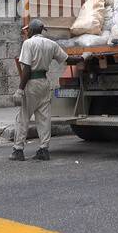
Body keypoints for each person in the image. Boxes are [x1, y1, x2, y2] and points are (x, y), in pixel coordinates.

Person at [11, 19, 81, 162]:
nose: (27, 32)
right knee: (44, 118)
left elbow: (27, 69)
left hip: (31, 84)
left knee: (23, 117)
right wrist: (82, 58)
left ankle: (18, 150)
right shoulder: (51, 44)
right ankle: (44, 149)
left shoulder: (28, 43)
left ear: (31, 30)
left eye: (28, 30)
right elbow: (68, 60)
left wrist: (20, 89)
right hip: (44, 83)